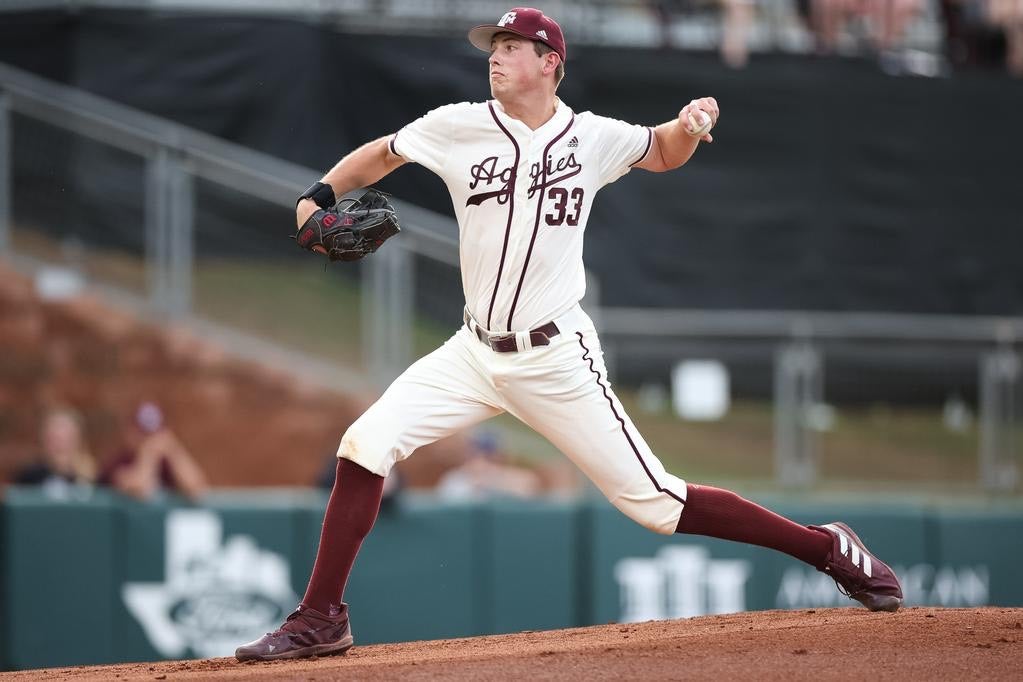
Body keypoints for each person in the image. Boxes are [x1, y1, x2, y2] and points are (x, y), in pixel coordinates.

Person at [235, 7, 903, 662]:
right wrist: (317, 196)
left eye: (509, 45)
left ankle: (825, 548)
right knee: (364, 445)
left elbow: (660, 150)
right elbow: (381, 155)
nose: (494, 55)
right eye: (491, 45)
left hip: (555, 357)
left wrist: (686, 125)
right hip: (472, 351)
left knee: (657, 505)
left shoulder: (591, 137)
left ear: (549, 62)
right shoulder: (457, 126)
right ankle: (320, 618)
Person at [99, 401, 209, 501]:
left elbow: (196, 489)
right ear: (130, 431)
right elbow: (140, 489)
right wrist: (148, 455)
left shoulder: (166, 463)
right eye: (143, 433)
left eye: (154, 433)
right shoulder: (118, 462)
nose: (150, 439)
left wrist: (174, 450)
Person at [12, 406, 97, 496]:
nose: (60, 446)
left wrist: (84, 481)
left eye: (67, 440)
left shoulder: (90, 476)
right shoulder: (29, 476)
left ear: (79, 441)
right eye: (54, 439)